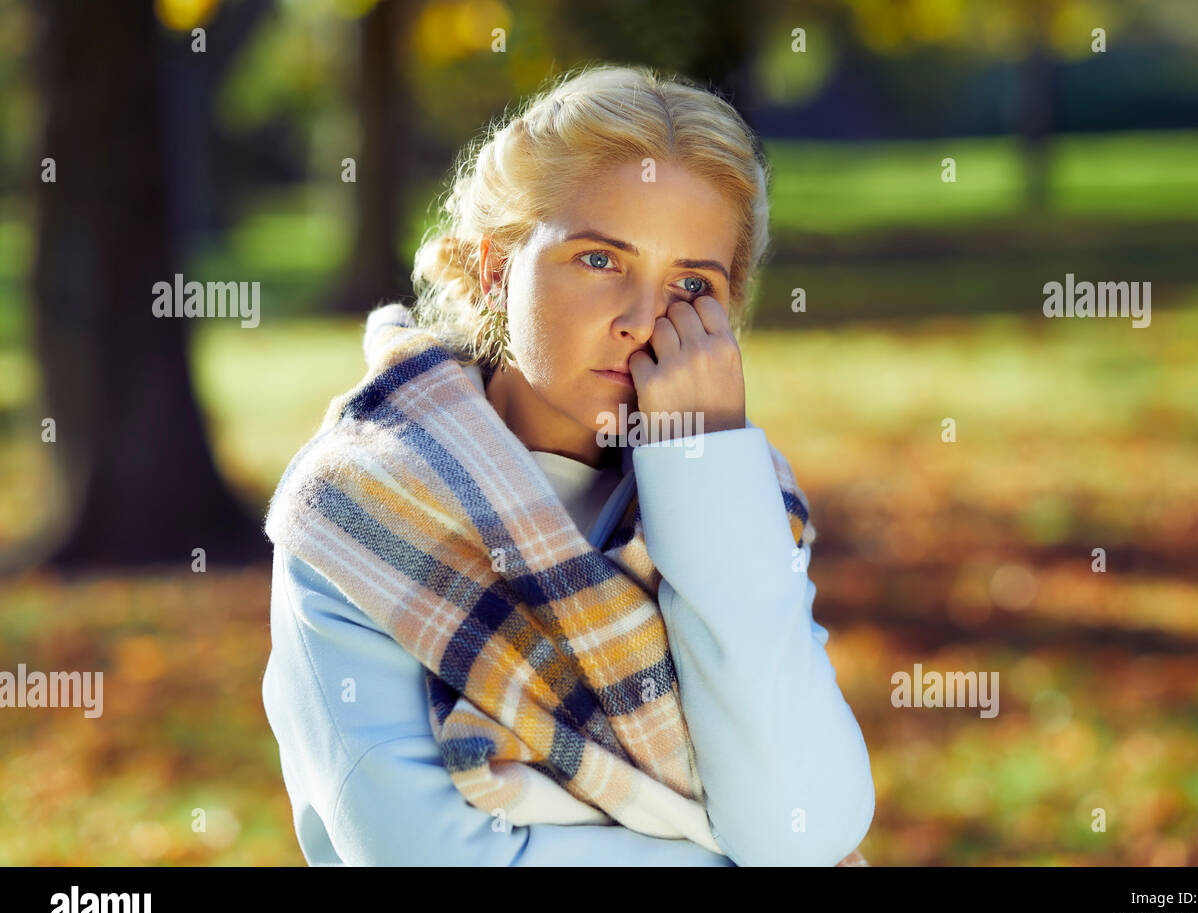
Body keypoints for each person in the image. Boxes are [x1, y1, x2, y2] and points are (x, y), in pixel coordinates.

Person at [261, 63, 874, 866]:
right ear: (494, 271)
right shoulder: (360, 507)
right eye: (599, 260)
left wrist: (708, 467)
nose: (642, 320)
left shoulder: (742, 496)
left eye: (692, 283)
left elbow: (804, 827)